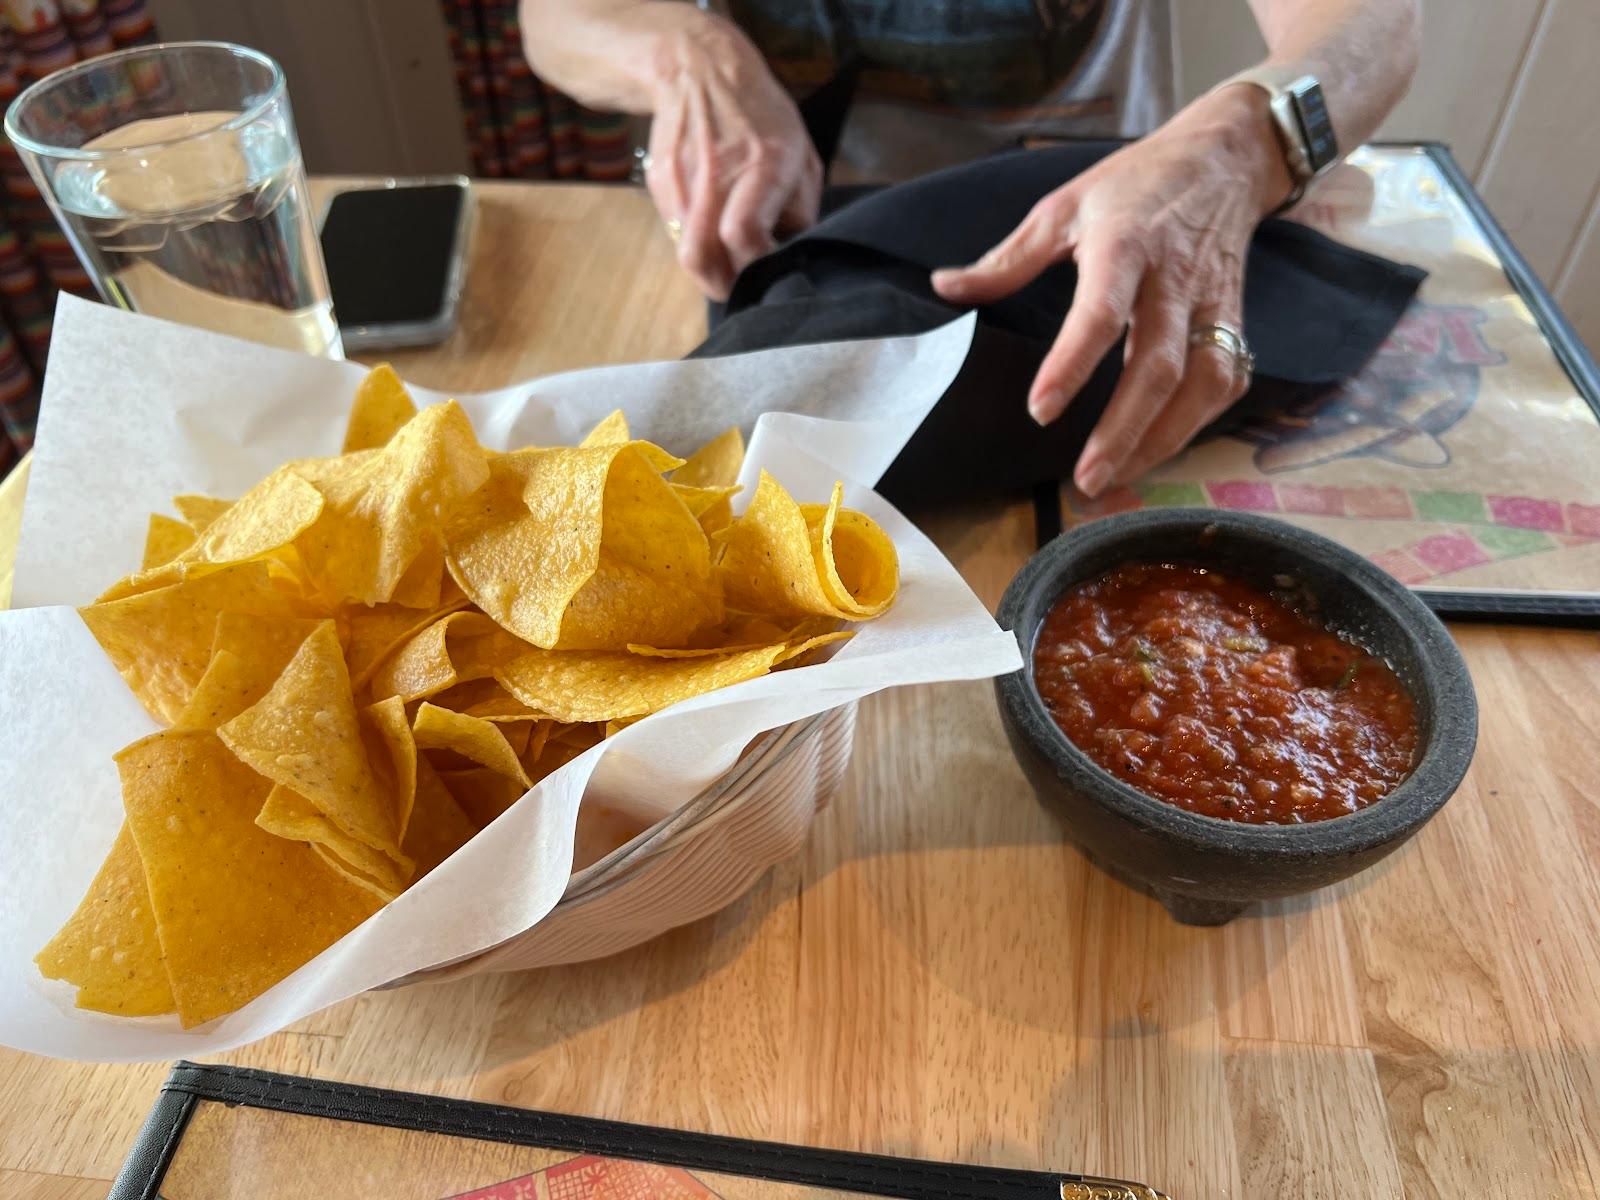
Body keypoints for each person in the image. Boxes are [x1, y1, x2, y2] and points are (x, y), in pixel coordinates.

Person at [519, 1, 1420, 497]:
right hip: (765, 243)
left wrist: (1240, 144)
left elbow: (1373, 19)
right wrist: (689, 52)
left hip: (1096, 244)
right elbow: (553, 15)